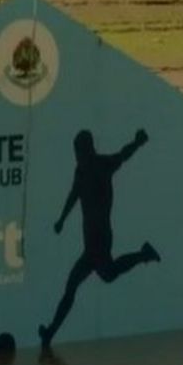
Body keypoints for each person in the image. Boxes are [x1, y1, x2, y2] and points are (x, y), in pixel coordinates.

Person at [38, 129, 160, 349]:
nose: (77, 156)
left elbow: (123, 155)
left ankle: (50, 332)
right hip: (90, 243)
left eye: (79, 151)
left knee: (87, 280)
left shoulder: (102, 165)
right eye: (75, 152)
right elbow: (73, 196)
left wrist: (137, 142)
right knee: (99, 276)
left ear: (88, 148)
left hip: (101, 238)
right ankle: (49, 333)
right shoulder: (81, 171)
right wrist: (62, 219)